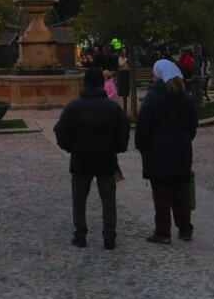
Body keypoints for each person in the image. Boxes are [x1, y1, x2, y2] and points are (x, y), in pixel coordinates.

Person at [54, 66, 130, 250]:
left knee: (79, 198)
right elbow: (124, 132)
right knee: (108, 198)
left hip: (81, 159)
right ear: (101, 83)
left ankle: (80, 234)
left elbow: (60, 131)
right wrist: (118, 148)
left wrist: (70, 147)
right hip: (107, 159)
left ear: (85, 83)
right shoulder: (113, 108)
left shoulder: (73, 107)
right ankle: (109, 236)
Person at [135, 59, 197, 244]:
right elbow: (193, 124)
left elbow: (143, 125)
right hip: (181, 150)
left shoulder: (153, 97)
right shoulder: (185, 97)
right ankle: (185, 229)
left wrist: (142, 145)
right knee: (181, 190)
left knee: (161, 193)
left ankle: (163, 232)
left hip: (158, 151)